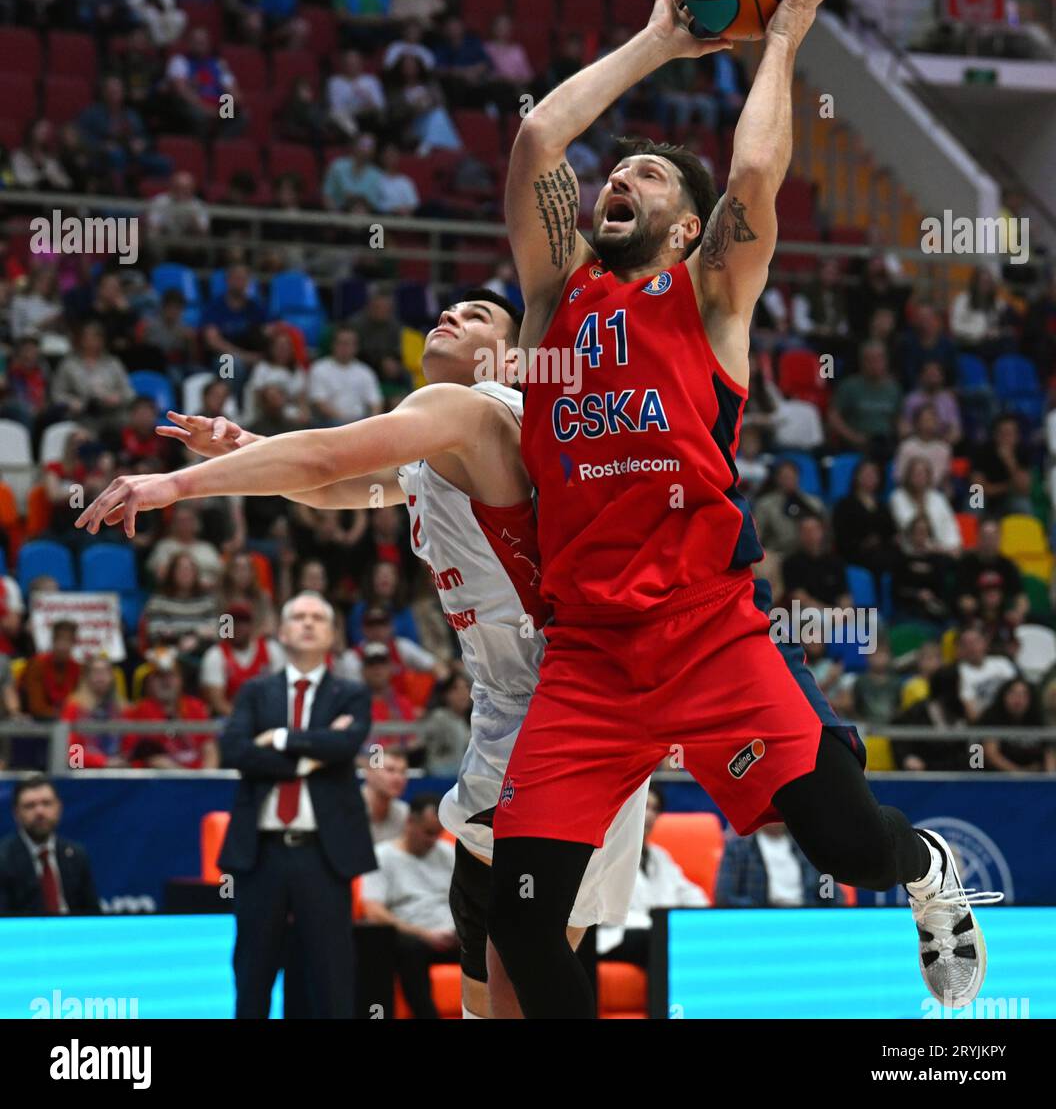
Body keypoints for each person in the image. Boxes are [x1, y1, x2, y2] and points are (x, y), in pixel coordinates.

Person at [486, 0, 998, 1018]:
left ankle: (929, 869)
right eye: (615, 173)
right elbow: (540, 142)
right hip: (587, 658)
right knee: (523, 911)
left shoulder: (708, 293)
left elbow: (753, 180)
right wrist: (659, 43)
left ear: (686, 227)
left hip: (711, 634)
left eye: (649, 178)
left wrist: (785, 40)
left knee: (849, 846)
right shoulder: (552, 303)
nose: (619, 178)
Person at [77, 289, 649, 1021]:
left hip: (567, 717)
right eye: (447, 308)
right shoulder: (432, 448)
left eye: (476, 315)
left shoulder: (469, 410)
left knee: (519, 979)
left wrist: (174, 486)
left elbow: (323, 452)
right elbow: (331, 484)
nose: (450, 315)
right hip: (514, 714)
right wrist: (248, 448)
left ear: (509, 358)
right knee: (491, 980)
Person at [216, 592, 374, 1018]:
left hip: (323, 855)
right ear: (281, 632)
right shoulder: (254, 691)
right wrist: (312, 757)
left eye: (318, 618)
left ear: (332, 634)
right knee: (253, 973)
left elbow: (347, 745)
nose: (307, 624)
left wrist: (280, 739)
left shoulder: (351, 693)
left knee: (332, 976)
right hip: (261, 853)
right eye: (298, 617)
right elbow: (233, 750)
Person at [359, 794, 459, 1018]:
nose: (433, 840)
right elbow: (373, 911)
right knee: (409, 949)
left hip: (452, 936)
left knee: (489, 945)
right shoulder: (382, 856)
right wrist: (424, 934)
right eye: (428, 832)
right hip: (412, 937)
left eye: (438, 833)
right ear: (410, 822)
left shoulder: (449, 853)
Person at [596, 785, 710, 966]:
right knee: (655, 941)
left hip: (658, 931)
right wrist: (655, 922)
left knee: (687, 938)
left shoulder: (660, 856)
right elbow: (603, 914)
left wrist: (703, 917)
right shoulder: (607, 852)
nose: (649, 815)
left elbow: (690, 894)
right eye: (644, 806)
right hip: (617, 936)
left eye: (655, 809)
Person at [0, 775, 101, 915]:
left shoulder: (75, 854)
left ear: (58, 808)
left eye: (46, 803)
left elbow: (93, 916)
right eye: (30, 806)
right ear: (16, 813)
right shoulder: (4, 859)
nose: (39, 812)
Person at [716, 822, 846, 908]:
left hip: (806, 918)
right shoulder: (738, 849)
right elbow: (725, 898)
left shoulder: (808, 847)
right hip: (762, 921)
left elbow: (831, 892)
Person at [198, 601, 286, 716]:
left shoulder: (272, 650)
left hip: (266, 715)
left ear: (251, 626)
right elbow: (217, 702)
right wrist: (243, 720)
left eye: (243, 622)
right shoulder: (215, 655)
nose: (238, 627)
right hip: (229, 719)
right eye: (233, 622)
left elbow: (281, 691)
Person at [20, 619, 81, 720]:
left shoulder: (78, 669)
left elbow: (81, 704)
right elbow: (37, 708)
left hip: (67, 722)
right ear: (53, 641)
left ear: (74, 643)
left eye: (68, 640)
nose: (63, 646)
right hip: (35, 725)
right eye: (59, 639)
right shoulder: (37, 665)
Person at [361, 745, 411, 845]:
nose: (398, 778)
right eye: (390, 770)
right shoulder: (344, 809)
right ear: (369, 772)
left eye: (403, 772)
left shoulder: (405, 815)